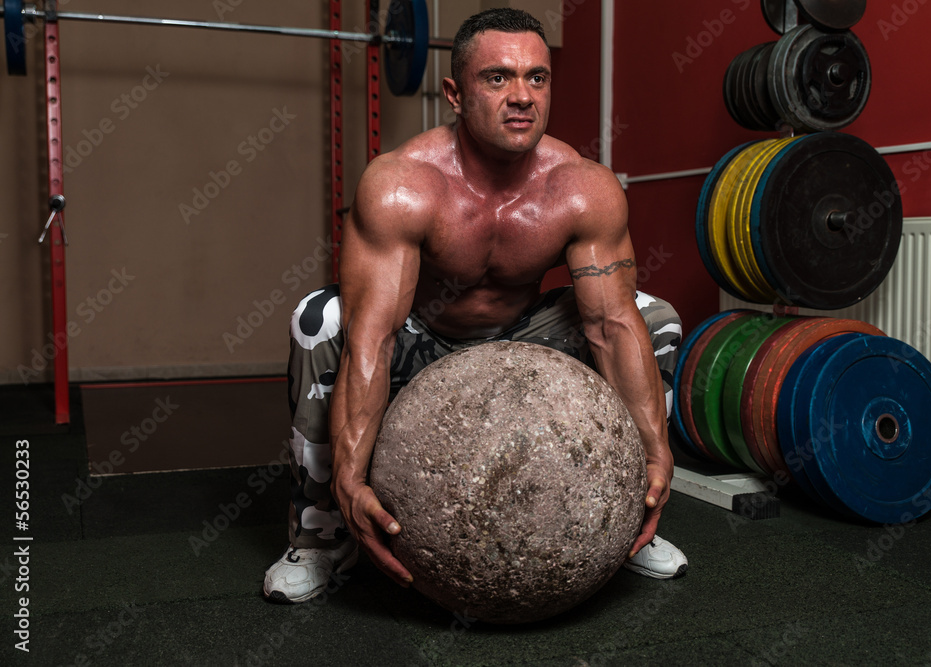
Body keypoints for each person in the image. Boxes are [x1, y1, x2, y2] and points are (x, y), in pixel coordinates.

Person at [263, 8, 687, 604]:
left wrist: (656, 456)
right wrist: (352, 480)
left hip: (523, 340)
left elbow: (612, 325)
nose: (522, 97)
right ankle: (321, 536)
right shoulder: (401, 185)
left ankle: (630, 524)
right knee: (320, 318)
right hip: (424, 342)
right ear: (455, 93)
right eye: (498, 78)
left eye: (537, 78)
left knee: (651, 317)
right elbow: (373, 336)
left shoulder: (583, 188)